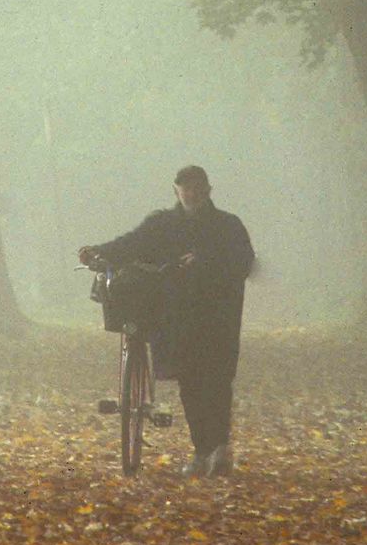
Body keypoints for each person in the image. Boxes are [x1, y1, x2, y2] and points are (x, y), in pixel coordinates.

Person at [78, 165, 254, 477]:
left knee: (216, 382)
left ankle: (220, 448)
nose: (192, 193)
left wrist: (206, 261)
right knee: (189, 382)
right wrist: (98, 251)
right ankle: (203, 451)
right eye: (186, 187)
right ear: (176, 190)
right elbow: (130, 243)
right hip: (179, 317)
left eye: (197, 187)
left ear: (208, 189)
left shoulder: (228, 226)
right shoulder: (162, 224)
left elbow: (243, 261)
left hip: (218, 318)